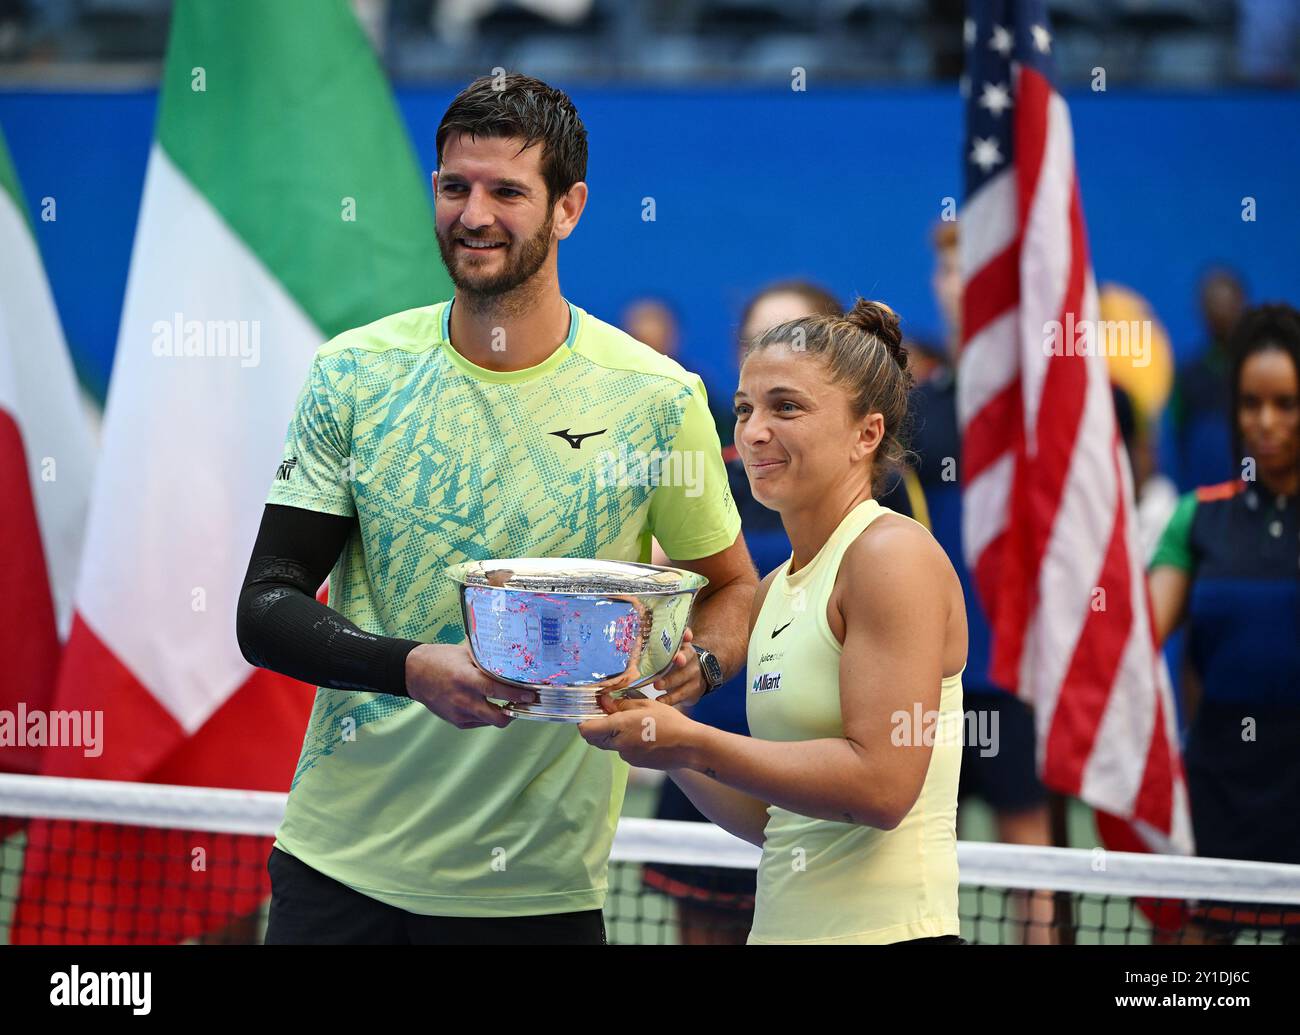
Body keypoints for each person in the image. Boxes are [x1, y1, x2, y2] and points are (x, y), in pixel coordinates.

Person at [236, 73, 757, 945]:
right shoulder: (353, 374)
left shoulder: (660, 397)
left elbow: (731, 586)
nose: (473, 215)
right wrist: (413, 667)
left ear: (568, 208)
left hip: (537, 897)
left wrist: (687, 674)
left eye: (507, 190)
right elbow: (266, 607)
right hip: (337, 873)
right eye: (454, 187)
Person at [581, 299, 967, 944]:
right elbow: (773, 821)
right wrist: (661, 737)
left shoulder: (890, 555)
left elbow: (881, 788)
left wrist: (692, 743)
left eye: (786, 407)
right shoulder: (776, 589)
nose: (753, 431)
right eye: (744, 410)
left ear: (865, 435)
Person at [917, 220, 1053, 941]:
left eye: (970, 268)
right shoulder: (920, 409)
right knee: (920, 838)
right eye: (944, 271)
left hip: (1017, 665)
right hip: (934, 669)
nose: (955, 284)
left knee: (1028, 838)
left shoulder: (1046, 403)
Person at [1148, 302, 1300, 943]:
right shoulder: (1196, 518)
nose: (1265, 423)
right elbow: (1136, 642)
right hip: (1219, 785)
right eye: (1249, 404)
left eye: (1286, 404)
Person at [1169, 268, 1247, 492]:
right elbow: (1179, 436)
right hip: (1203, 490)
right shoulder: (1188, 375)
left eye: (1227, 303)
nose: (1220, 312)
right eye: (1213, 303)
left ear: (1241, 304)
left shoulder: (1256, 372)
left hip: (1249, 485)